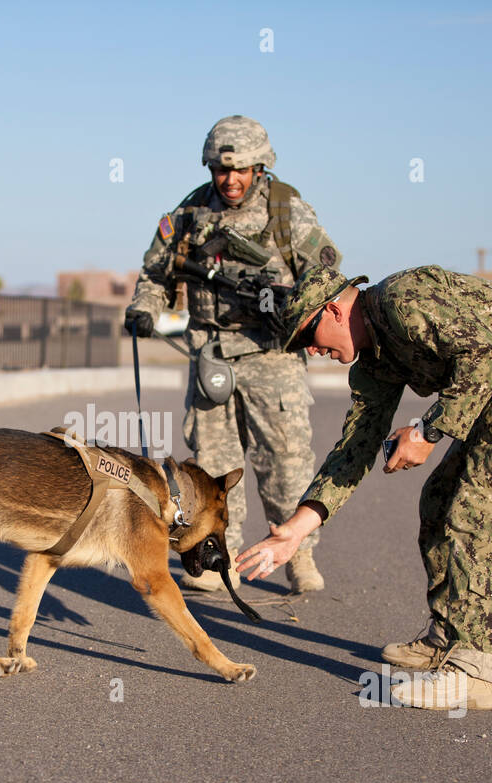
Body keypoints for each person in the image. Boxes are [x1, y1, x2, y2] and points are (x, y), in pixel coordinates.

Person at [235, 265, 492, 710]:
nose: (311, 350)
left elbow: (486, 355)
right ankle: (448, 640)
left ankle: (473, 673)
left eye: (308, 335)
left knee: (480, 507)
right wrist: (299, 528)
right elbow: (354, 451)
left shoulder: (402, 300)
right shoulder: (372, 366)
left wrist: (426, 432)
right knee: (438, 501)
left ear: (336, 310)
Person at [124, 115, 341, 593]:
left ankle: (298, 554)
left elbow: (327, 276)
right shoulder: (186, 216)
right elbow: (155, 274)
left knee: (284, 460)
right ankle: (220, 556)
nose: (231, 179)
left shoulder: (287, 213)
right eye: (222, 170)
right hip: (210, 352)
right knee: (213, 464)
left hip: (272, 355)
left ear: (260, 167)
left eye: (242, 169)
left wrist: (288, 302)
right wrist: (144, 309)